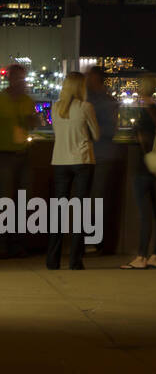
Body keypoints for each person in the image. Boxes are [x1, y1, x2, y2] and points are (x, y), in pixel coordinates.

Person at [48, 72, 100, 270]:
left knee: (58, 213)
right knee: (80, 212)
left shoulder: (55, 107)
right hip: (82, 161)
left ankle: (52, 260)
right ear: (81, 87)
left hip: (59, 160)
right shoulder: (86, 107)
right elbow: (96, 134)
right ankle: (75, 261)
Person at [122, 75, 156, 269]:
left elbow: (144, 140)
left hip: (144, 166)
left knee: (144, 214)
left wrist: (136, 134)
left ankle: (141, 256)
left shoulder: (144, 112)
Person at [0, 64, 39, 258]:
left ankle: (17, 243)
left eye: (23, 79)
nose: (21, 82)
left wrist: (33, 121)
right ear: (10, 79)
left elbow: (32, 124)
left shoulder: (27, 101)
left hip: (24, 155)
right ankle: (3, 244)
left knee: (24, 202)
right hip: (4, 155)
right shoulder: (1, 100)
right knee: (5, 202)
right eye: (18, 78)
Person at [85, 67, 122, 256]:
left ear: (97, 79)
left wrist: (90, 128)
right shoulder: (99, 100)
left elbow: (109, 131)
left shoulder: (105, 102)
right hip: (94, 155)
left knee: (96, 199)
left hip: (100, 155)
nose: (86, 80)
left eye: (89, 77)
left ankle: (95, 241)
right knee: (95, 199)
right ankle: (93, 240)